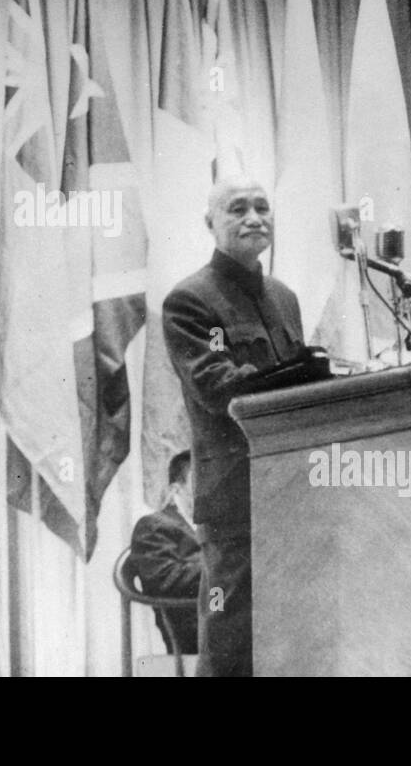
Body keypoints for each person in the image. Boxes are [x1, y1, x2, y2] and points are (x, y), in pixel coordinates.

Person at [161, 178, 304, 677]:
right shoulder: (188, 300)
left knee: (291, 632)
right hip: (234, 495)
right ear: (210, 223)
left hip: (293, 489)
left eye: (262, 208)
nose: (253, 218)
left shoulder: (285, 298)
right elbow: (218, 388)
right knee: (231, 635)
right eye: (237, 209)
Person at [130, 450, 201, 655]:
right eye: (199, 481)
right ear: (175, 490)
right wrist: (217, 566)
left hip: (218, 608)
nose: (209, 488)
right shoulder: (153, 525)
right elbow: (164, 579)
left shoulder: (210, 529)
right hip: (192, 621)